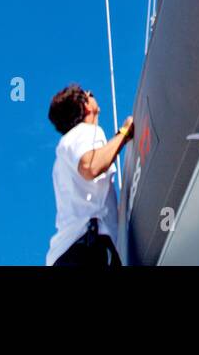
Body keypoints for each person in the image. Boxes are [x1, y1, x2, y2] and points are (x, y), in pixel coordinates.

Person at [45, 84, 134, 266]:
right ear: (85, 105)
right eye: (90, 94)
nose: (94, 95)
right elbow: (91, 166)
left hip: (71, 252)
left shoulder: (65, 150)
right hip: (85, 250)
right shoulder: (84, 132)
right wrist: (124, 133)